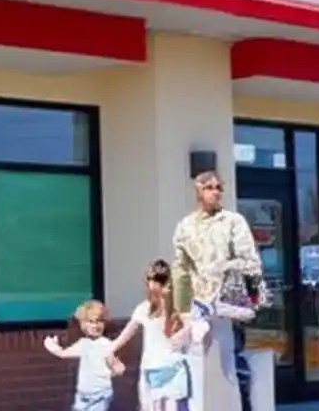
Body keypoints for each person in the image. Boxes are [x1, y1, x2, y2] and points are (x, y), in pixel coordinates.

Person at [171, 169, 262, 410]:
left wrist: (220, 268)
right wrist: (181, 311)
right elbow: (180, 270)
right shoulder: (185, 226)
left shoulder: (233, 221)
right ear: (198, 190)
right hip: (199, 307)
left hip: (229, 304)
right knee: (197, 368)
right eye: (210, 187)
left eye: (219, 187)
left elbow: (251, 262)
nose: (216, 192)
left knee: (233, 365)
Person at [107, 260, 193, 410]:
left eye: (160, 281)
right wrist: (108, 351)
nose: (155, 286)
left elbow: (182, 329)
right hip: (152, 368)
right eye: (151, 281)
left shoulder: (177, 308)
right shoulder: (143, 309)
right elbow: (124, 336)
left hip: (172, 367)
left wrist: (183, 332)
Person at [43, 300, 125, 411]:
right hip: (83, 394)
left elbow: (113, 364)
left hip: (100, 394)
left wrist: (117, 369)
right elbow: (64, 353)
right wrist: (53, 346)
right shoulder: (83, 343)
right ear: (83, 324)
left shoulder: (105, 344)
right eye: (91, 322)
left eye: (99, 321)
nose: (96, 326)